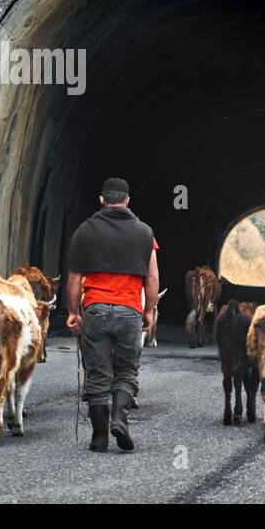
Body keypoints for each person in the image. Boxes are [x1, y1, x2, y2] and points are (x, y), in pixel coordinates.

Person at [65, 177, 160, 452]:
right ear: (128, 200)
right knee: (127, 370)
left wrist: (73, 311)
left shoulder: (85, 231)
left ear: (101, 200)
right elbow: (152, 278)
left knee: (97, 373)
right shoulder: (145, 233)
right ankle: (119, 418)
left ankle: (99, 436)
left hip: (95, 309)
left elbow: (74, 277)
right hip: (130, 311)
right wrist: (149, 310)